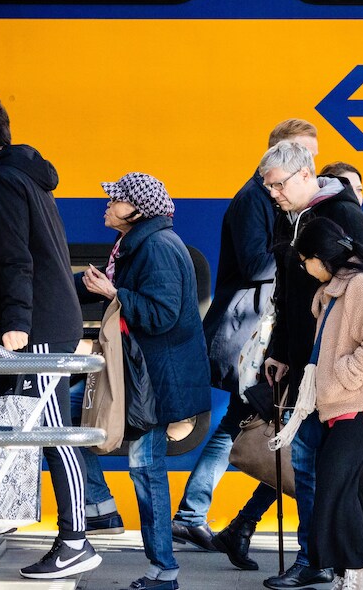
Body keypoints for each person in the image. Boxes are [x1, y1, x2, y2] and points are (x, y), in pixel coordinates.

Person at [0, 90, 100, 579]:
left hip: (39, 326)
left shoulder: (2, 182)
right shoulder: (24, 176)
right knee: (17, 420)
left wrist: (15, 323)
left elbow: (15, 258)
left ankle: (76, 540)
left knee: (54, 434)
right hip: (43, 319)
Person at [170, 119, 319, 570]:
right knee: (264, 423)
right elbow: (255, 262)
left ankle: (209, 518)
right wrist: (301, 250)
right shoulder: (252, 201)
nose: (309, 163)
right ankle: (199, 515)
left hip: (262, 330)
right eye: (300, 153)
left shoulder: (273, 201)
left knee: (253, 421)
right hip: (248, 332)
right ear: (276, 155)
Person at [258, 140, 363, 589]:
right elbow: (289, 293)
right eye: (268, 186)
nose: (272, 193)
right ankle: (350, 555)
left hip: (338, 380)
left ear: (304, 176)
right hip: (308, 367)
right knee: (329, 471)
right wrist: (282, 349)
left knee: (327, 471)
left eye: (277, 184)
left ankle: (335, 556)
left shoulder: (345, 216)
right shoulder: (294, 216)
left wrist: (338, 375)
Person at [77, 172, 211, 590]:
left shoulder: (155, 247)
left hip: (153, 375)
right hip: (138, 371)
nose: (107, 204)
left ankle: (163, 569)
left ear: (137, 210)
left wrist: (113, 293)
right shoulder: (134, 244)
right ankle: (100, 506)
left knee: (145, 468)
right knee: (65, 425)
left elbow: (162, 314)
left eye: (115, 199)